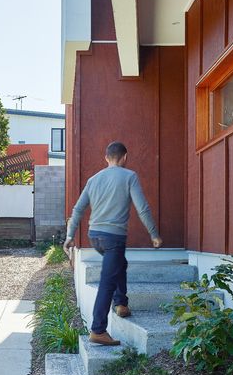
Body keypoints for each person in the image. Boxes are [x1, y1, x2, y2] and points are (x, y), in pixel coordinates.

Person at [63, 140, 162, 346]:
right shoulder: (129, 176)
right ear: (125, 157)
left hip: (95, 236)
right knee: (107, 281)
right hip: (113, 238)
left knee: (120, 264)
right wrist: (154, 234)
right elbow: (142, 208)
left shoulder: (93, 179)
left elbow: (78, 209)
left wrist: (70, 236)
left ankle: (121, 304)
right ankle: (98, 330)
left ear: (106, 158)